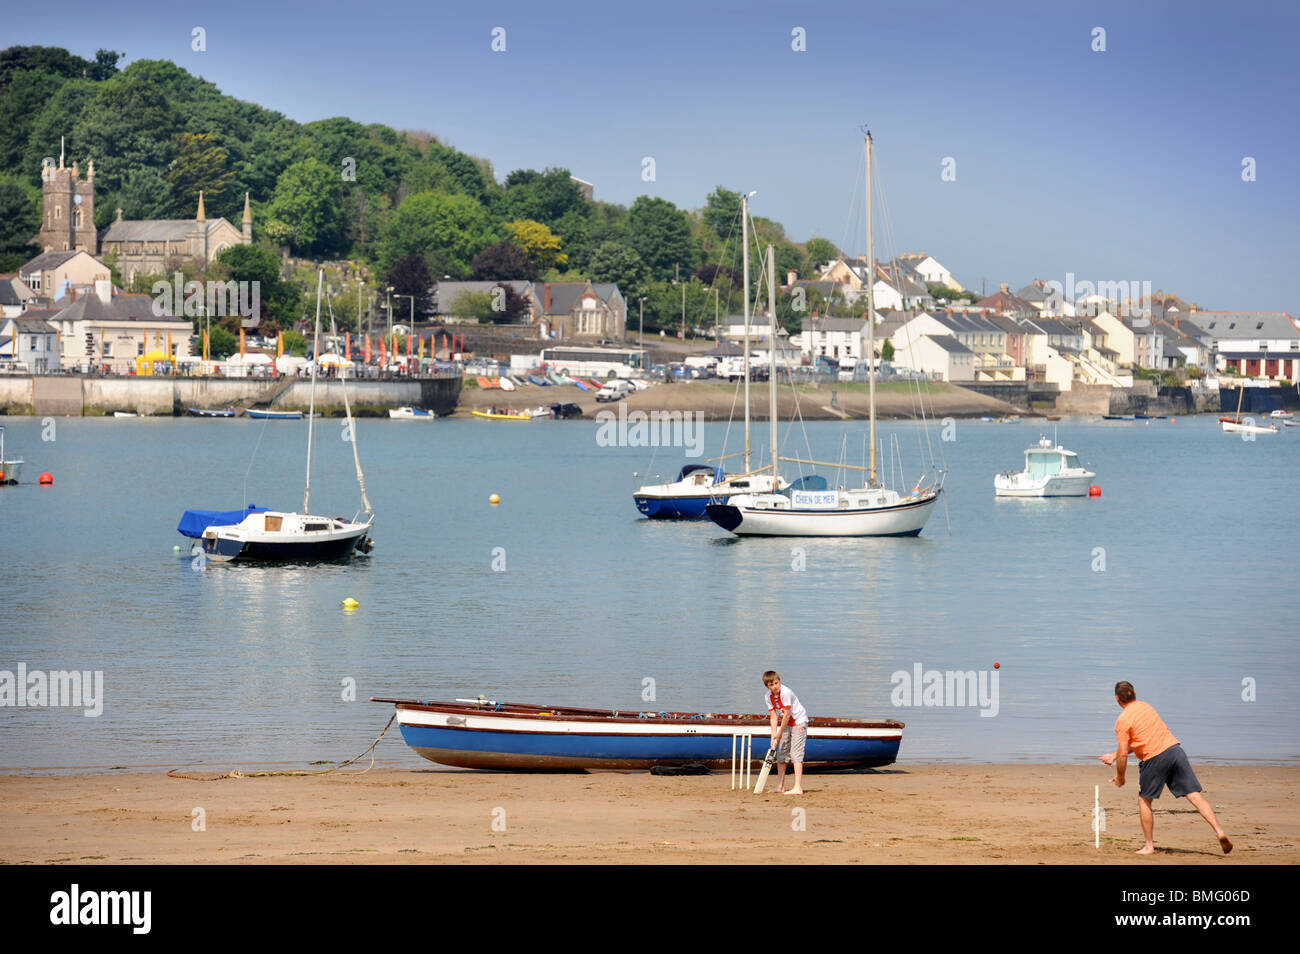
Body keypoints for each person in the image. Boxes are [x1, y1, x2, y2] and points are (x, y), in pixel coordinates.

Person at [1099, 681, 1231, 855]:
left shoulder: (1123, 720)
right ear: (1135, 693)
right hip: (1175, 750)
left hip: (1154, 759)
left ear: (1117, 699)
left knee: (1144, 800)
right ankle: (1219, 831)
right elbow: (1141, 740)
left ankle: (1149, 846)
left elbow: (1124, 753)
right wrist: (1113, 755)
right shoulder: (1146, 707)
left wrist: (1121, 777)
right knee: (1194, 795)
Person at [762, 670, 807, 795]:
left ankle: (798, 787)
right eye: (771, 685)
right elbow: (773, 717)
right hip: (785, 724)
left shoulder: (785, 692)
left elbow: (787, 715)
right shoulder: (767, 696)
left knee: (795, 753)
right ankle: (780, 786)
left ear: (779, 681)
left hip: (798, 722)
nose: (775, 686)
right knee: (781, 753)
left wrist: (779, 733)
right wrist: (773, 737)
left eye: (776, 683)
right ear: (767, 686)